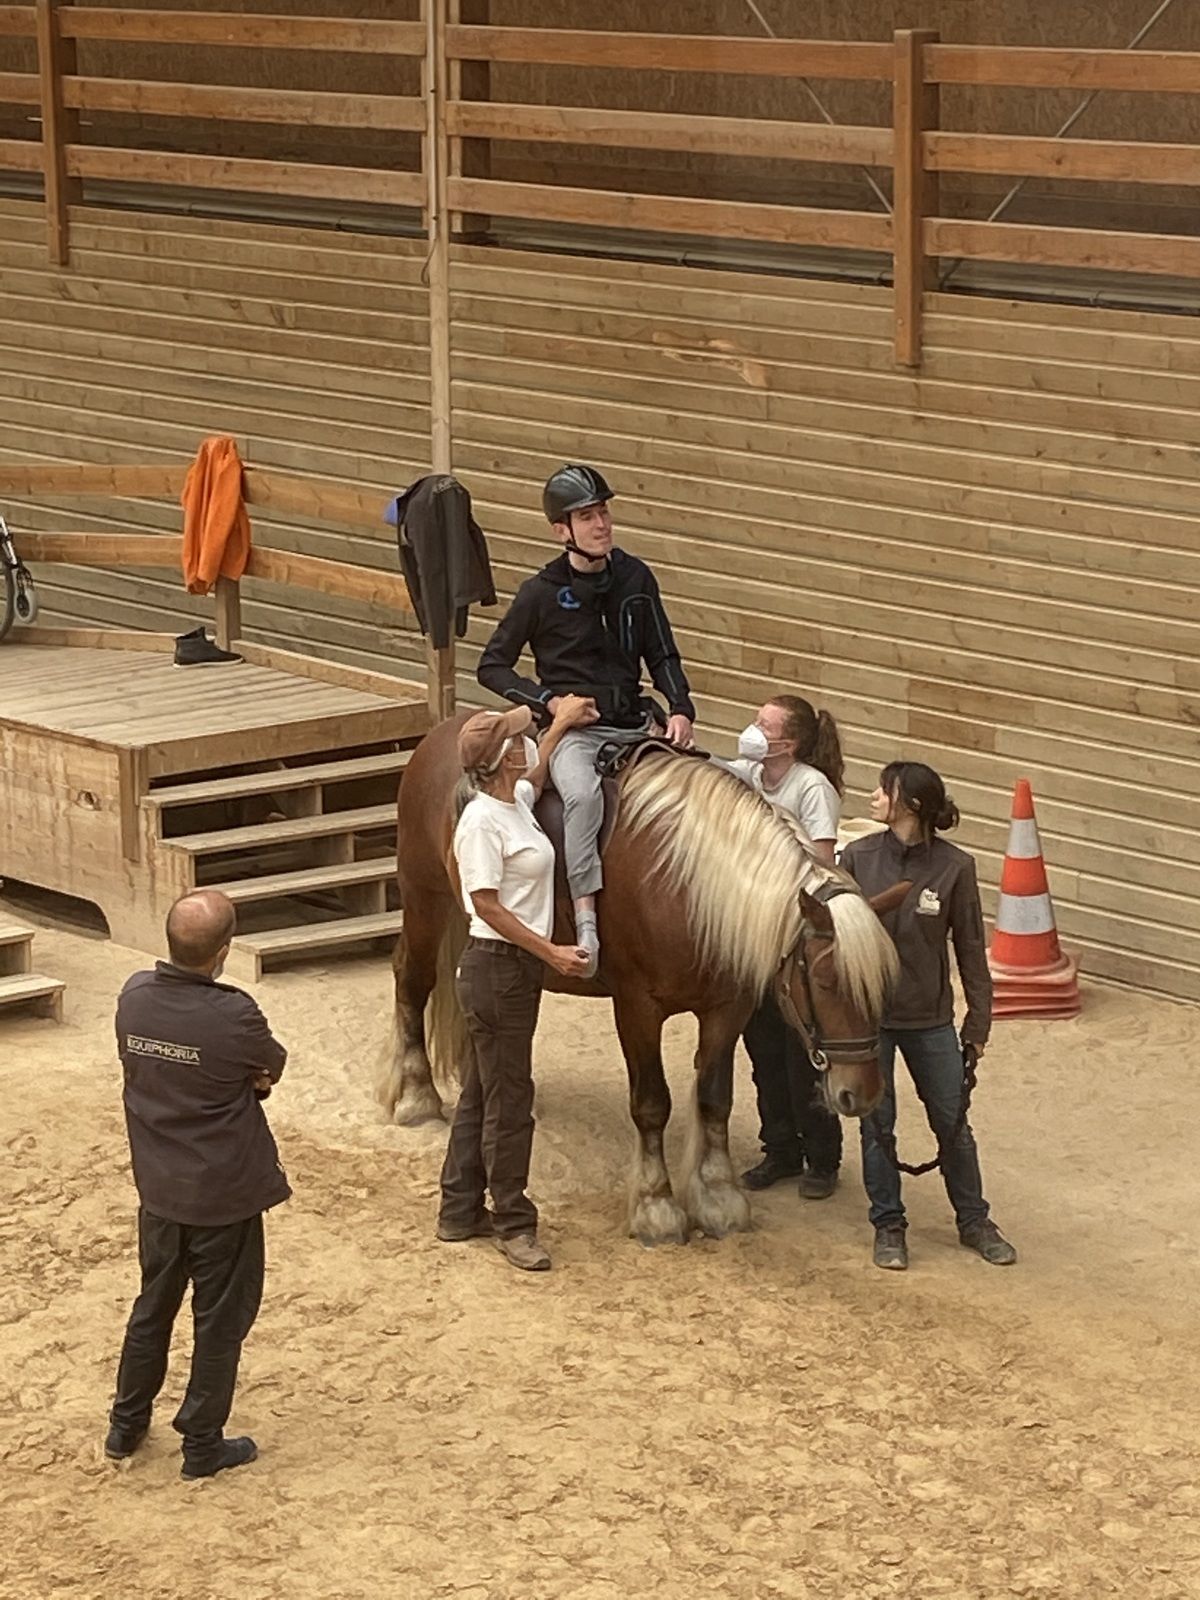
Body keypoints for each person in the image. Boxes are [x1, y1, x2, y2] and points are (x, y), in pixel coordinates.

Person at [477, 464, 696, 977]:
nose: (602, 524)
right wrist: (549, 702)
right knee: (582, 797)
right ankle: (586, 917)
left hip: (637, 724)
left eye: (604, 512)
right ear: (562, 530)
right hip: (576, 734)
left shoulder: (637, 578)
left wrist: (682, 708)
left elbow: (662, 654)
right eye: (587, 517)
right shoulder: (540, 592)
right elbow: (492, 664)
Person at [105, 890, 289, 1480]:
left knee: (151, 1306)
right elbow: (269, 1065)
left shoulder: (133, 998)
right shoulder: (234, 1014)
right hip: (223, 1197)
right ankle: (202, 1443)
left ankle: (125, 1424)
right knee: (220, 1319)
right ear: (225, 951)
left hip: (159, 1190)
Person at [438, 695, 595, 1272]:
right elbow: (486, 904)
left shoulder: (515, 800)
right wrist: (550, 950)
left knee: (482, 1090)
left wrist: (559, 726)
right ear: (502, 757)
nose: (524, 744)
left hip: (507, 970)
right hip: (499, 965)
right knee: (511, 1099)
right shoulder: (480, 820)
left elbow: (533, 773)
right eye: (516, 739)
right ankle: (512, 1220)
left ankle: (458, 1208)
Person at [841, 761, 1017, 1272]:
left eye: (884, 790)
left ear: (910, 805)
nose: (874, 797)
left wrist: (976, 1026)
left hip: (931, 1021)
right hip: (871, 1021)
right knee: (878, 1127)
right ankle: (888, 1225)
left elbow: (970, 950)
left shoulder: (955, 867)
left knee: (953, 1122)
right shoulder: (856, 857)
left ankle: (975, 1220)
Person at [729, 695, 846, 1198]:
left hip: (793, 932)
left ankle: (822, 1156)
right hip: (755, 932)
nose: (753, 730)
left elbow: (819, 860)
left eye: (763, 725)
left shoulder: (811, 788)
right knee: (762, 1049)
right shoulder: (749, 774)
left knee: (802, 1051)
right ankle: (779, 1148)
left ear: (789, 742)